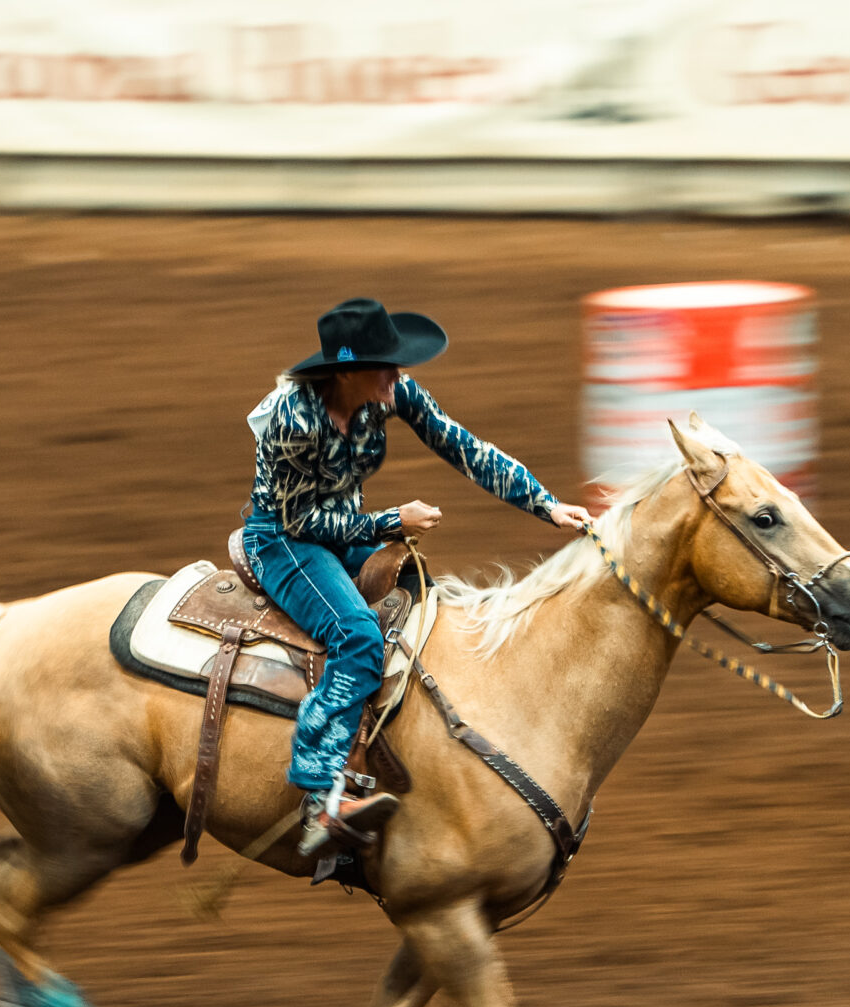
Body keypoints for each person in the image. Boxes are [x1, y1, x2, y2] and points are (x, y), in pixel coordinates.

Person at [244, 297, 595, 856]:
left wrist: (546, 505)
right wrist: (391, 521)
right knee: (357, 637)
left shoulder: (390, 394)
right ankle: (319, 797)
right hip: (285, 542)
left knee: (423, 615)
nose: (399, 374)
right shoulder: (294, 417)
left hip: (346, 531)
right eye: (387, 364)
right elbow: (298, 519)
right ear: (348, 371)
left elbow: (462, 446)